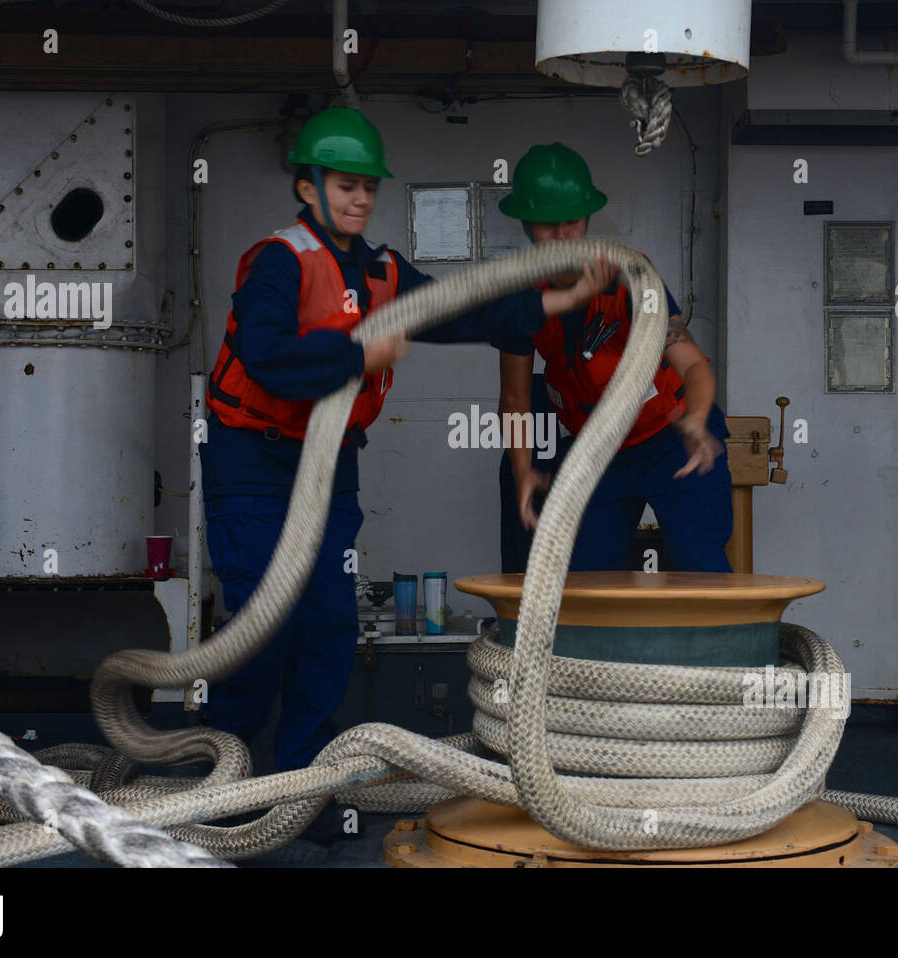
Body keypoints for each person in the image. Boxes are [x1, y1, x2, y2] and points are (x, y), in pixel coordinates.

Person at [201, 110, 613, 783]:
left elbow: (466, 309)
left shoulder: (385, 271)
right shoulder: (278, 260)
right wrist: (353, 350)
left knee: (331, 623)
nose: (360, 198)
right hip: (254, 460)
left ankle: (309, 781)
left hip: (331, 466)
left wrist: (558, 302)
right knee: (261, 624)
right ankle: (224, 774)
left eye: (368, 187)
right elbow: (266, 355)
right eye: (344, 185)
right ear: (307, 187)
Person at [493, 142, 735, 573]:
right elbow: (514, 399)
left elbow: (694, 365)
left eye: (571, 222)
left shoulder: (631, 279)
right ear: (526, 225)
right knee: (586, 580)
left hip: (673, 438)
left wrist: (697, 419)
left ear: (587, 220)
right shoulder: (519, 299)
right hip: (599, 451)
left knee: (703, 572)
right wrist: (523, 468)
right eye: (548, 225)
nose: (561, 235)